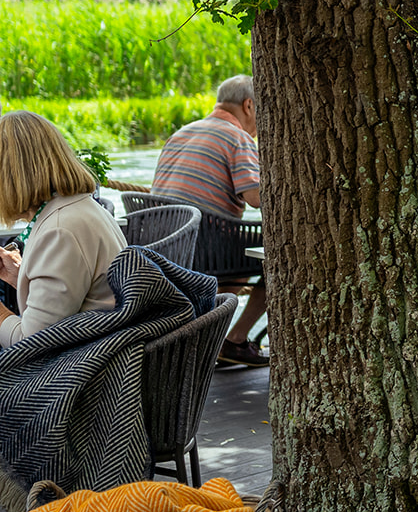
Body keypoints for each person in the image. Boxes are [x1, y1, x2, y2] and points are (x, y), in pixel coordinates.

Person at [152, 74, 268, 367]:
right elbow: (256, 198)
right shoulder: (238, 137)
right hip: (205, 244)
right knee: (278, 257)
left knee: (239, 252)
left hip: (163, 243)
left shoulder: (181, 133)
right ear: (249, 106)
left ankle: (212, 339)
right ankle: (236, 339)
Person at [0, 112, 128, 347]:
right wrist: (20, 276)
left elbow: (33, 344)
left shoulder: (60, 232)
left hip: (85, 364)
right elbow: (74, 296)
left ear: (10, 178)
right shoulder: (77, 208)